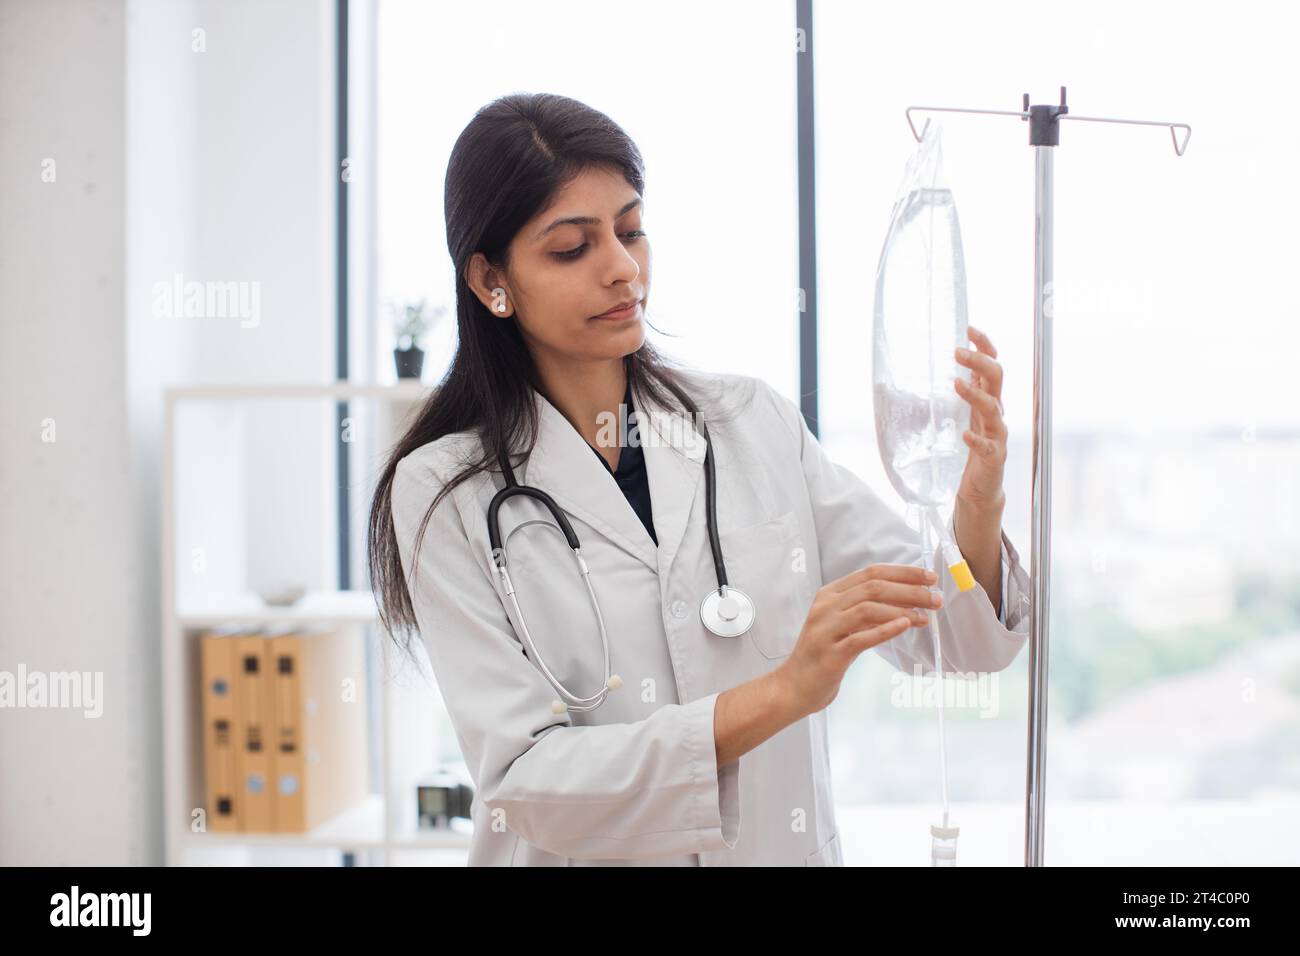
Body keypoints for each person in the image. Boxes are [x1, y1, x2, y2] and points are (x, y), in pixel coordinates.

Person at [368, 92, 1031, 866]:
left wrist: (977, 504)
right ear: (491, 280)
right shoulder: (444, 492)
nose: (623, 269)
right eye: (572, 248)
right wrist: (782, 692)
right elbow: (528, 784)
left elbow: (955, 638)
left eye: (630, 230)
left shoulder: (751, 423)